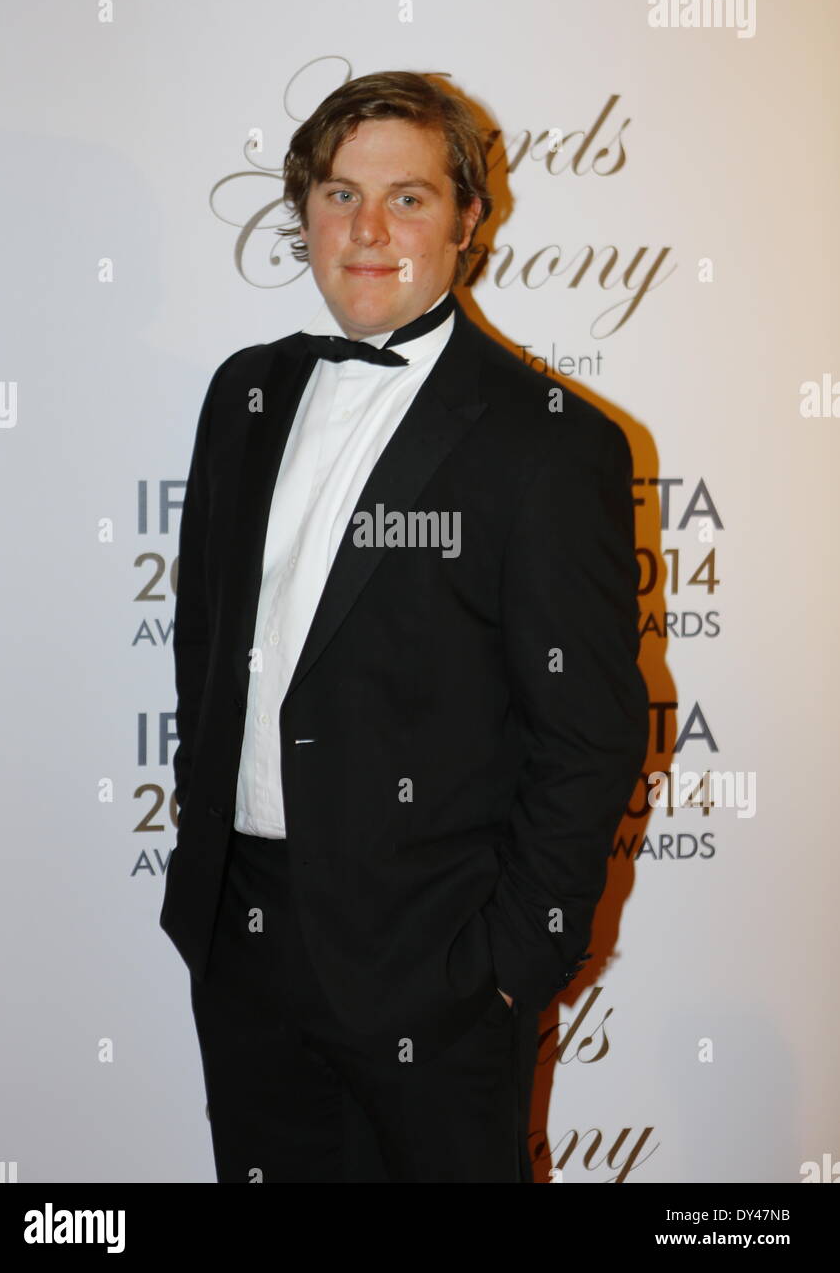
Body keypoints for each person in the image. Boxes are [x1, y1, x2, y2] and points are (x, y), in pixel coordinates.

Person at [160, 69, 649, 1183]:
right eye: (337, 195)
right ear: (302, 215)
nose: (366, 229)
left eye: (409, 198)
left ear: (470, 220)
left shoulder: (550, 441)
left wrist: (511, 962)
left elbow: (590, 732)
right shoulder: (245, 395)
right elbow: (206, 648)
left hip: (435, 969)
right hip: (242, 945)